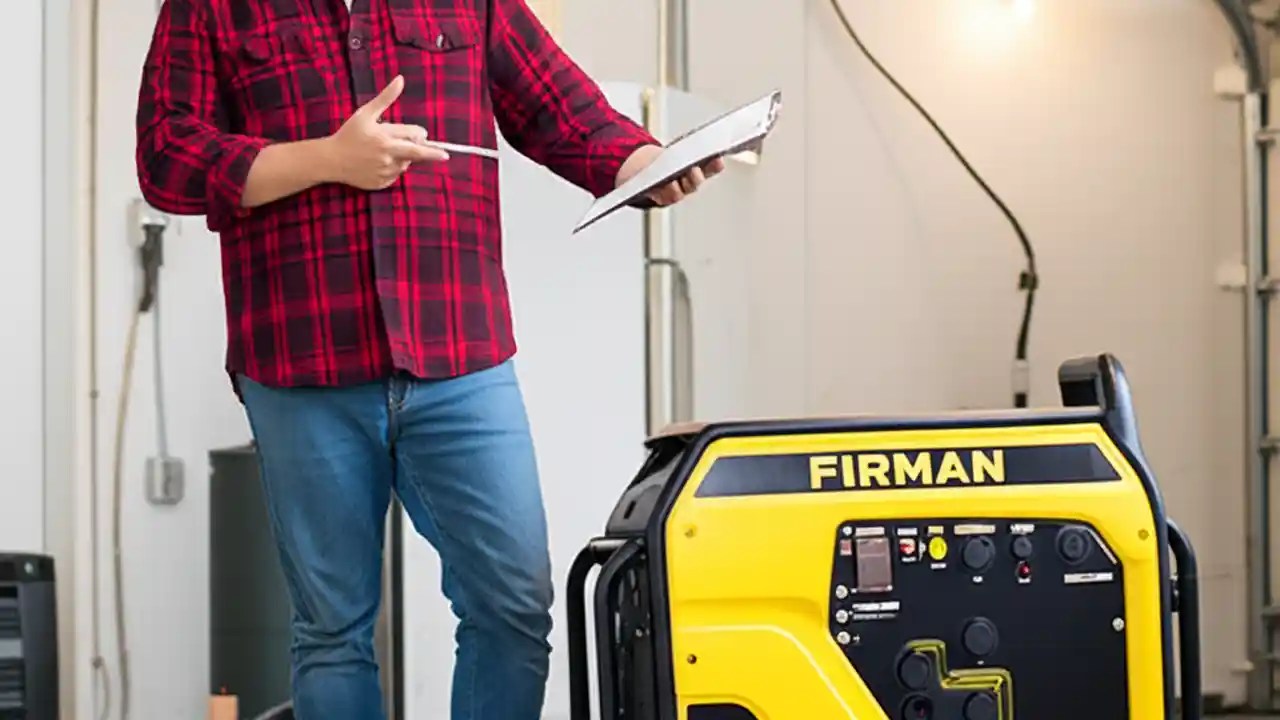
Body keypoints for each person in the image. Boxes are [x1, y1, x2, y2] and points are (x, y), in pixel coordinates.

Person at [134, 1, 724, 718]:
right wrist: (328, 159)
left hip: (460, 349)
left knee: (513, 606)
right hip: (299, 358)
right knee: (331, 633)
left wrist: (647, 163)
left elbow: (556, 105)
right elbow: (167, 156)